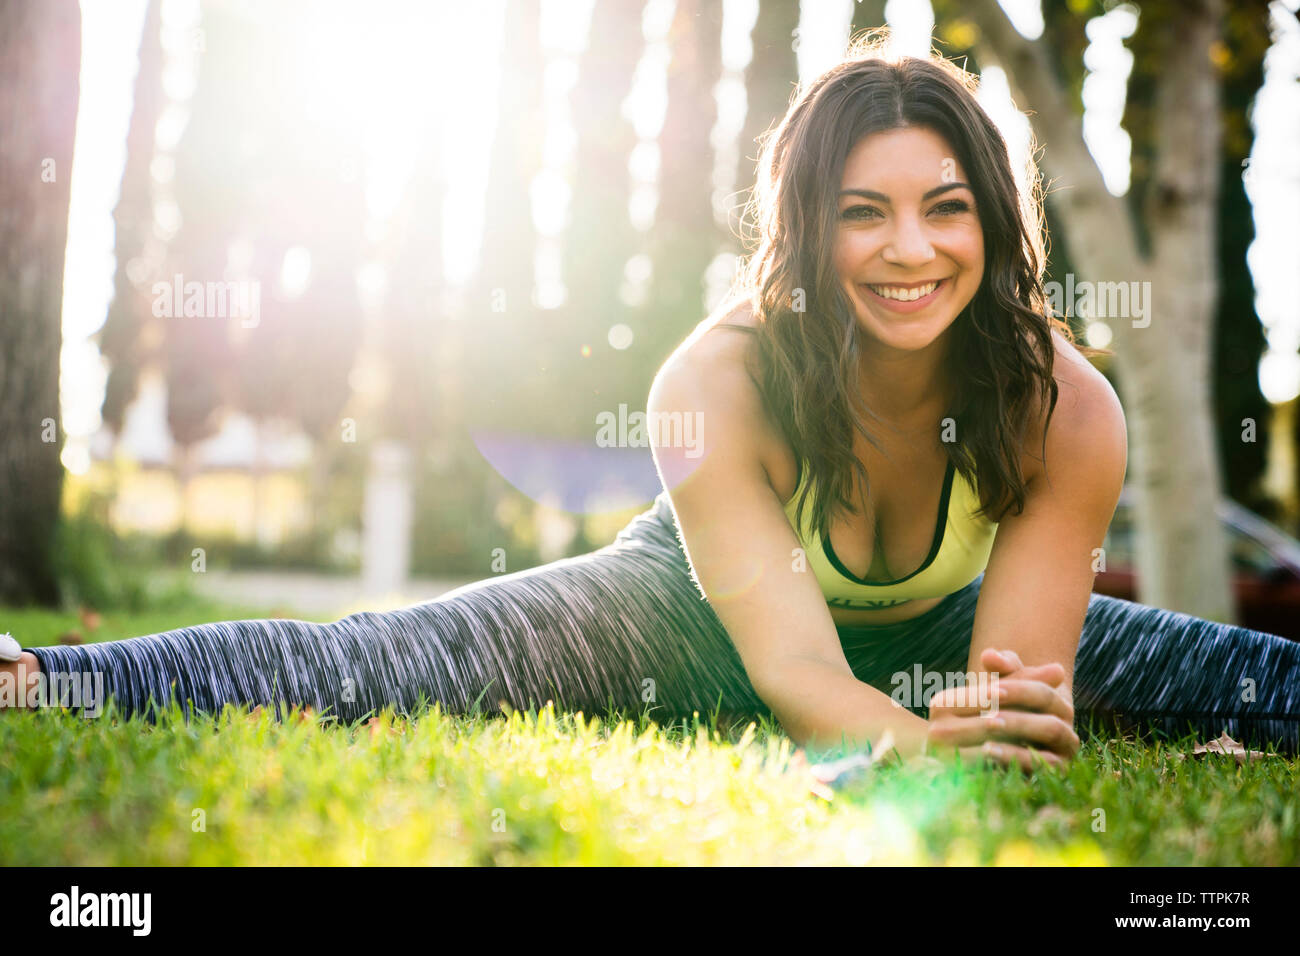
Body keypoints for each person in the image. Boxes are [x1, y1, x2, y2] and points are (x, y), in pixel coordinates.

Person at [4, 43, 1298, 770]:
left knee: (1251, 681)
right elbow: (793, 669)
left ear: (993, 222)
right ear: (809, 226)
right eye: (864, 211)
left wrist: (993, 723)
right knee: (382, 661)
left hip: (934, 627)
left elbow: (1007, 699)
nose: (911, 249)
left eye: (945, 206)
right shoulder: (715, 380)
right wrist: (915, 748)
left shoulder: (1068, 409)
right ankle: (42, 681)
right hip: (687, 613)